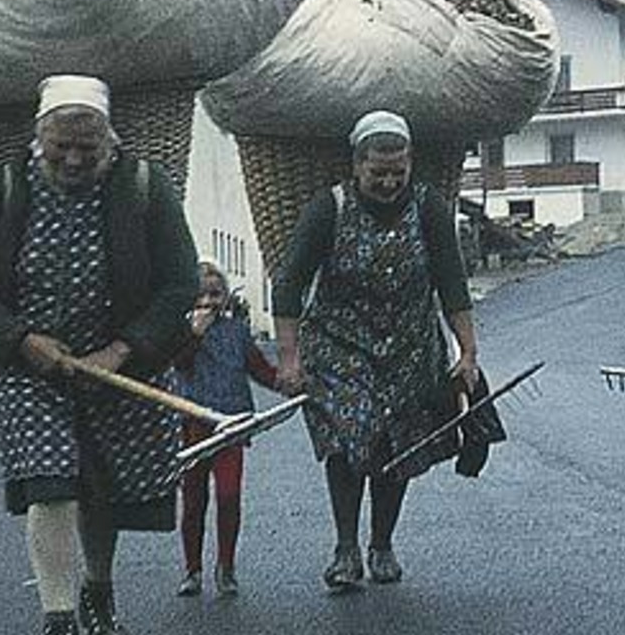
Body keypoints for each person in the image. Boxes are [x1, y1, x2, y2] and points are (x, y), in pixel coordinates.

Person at [0, 74, 199, 635]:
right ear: (40, 137)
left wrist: (122, 350)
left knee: (99, 488)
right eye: (62, 146)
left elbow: (179, 284)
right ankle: (57, 626)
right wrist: (22, 341)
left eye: (88, 147)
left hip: (116, 369)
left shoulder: (144, 188)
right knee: (50, 482)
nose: (75, 159)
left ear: (110, 142)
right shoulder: (2, 190)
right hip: (29, 370)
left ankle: (98, 590)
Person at [273, 110, 479, 589]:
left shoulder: (429, 208)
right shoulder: (329, 209)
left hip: (410, 344)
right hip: (339, 344)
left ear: (410, 165)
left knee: (398, 443)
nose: (389, 182)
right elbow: (289, 286)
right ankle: (345, 548)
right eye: (378, 173)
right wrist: (289, 358)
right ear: (357, 166)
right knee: (350, 440)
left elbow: (452, 283)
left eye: (398, 173)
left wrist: (467, 352)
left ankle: (381, 543)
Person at [169, 261, 280, 598]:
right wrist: (194, 333)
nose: (208, 301)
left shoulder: (238, 332)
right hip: (194, 424)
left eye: (215, 294)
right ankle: (192, 569)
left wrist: (287, 382)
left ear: (226, 297)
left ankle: (226, 567)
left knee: (229, 496)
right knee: (193, 499)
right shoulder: (182, 331)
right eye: (201, 294)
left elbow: (259, 369)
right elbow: (179, 362)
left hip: (232, 424)